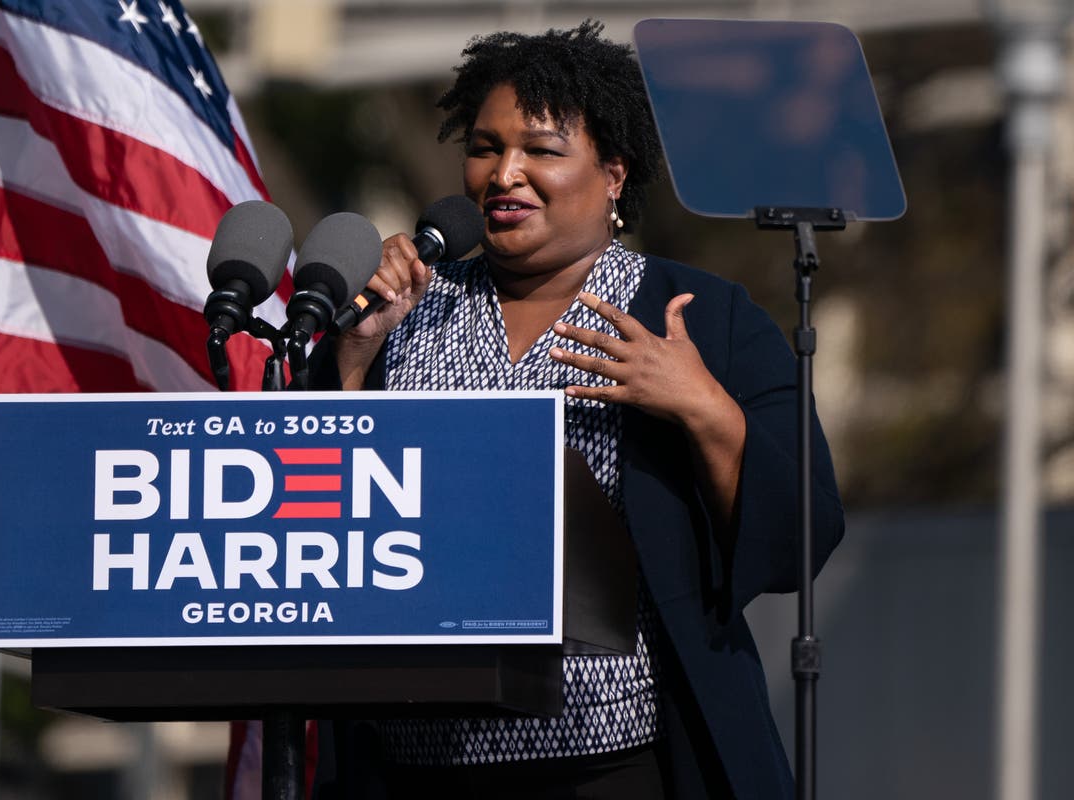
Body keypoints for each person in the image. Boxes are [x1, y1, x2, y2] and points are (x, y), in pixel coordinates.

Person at [310, 20, 844, 800]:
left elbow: (804, 534)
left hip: (624, 768)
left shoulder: (699, 316)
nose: (505, 174)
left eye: (542, 150)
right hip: (412, 767)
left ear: (615, 174)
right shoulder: (408, 313)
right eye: (486, 148)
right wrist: (353, 357)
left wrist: (705, 411)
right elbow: (312, 506)